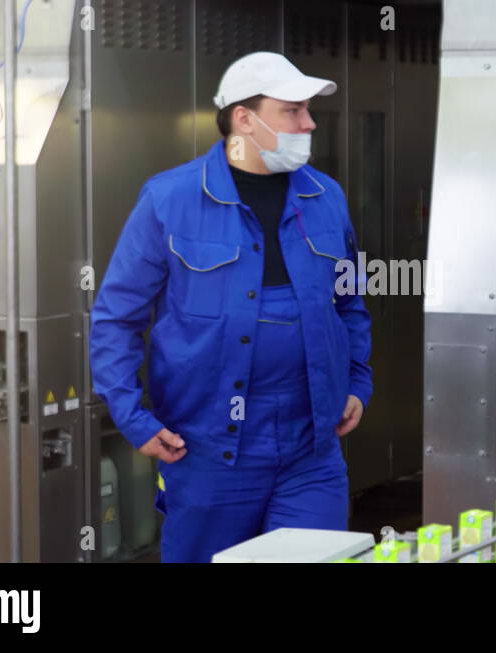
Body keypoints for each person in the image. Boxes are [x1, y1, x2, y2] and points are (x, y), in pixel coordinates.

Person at [89, 51, 373, 563]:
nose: (309, 123)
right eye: (292, 111)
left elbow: (350, 301)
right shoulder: (170, 199)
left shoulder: (325, 196)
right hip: (208, 450)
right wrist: (133, 418)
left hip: (312, 448)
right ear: (244, 118)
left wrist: (357, 381)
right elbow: (117, 316)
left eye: (308, 110)